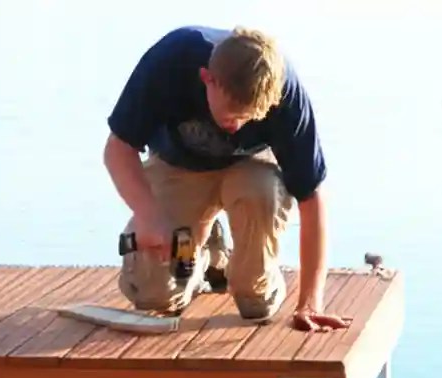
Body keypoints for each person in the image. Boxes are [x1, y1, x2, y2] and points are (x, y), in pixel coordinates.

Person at [103, 25, 351, 331]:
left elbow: (311, 198)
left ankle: (253, 273)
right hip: (178, 166)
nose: (235, 126)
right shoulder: (172, 59)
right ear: (207, 78)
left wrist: (310, 303)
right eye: (230, 114)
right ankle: (205, 257)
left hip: (251, 170)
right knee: (154, 292)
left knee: (255, 302)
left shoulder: (287, 92)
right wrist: (149, 215)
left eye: (247, 118)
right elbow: (118, 149)